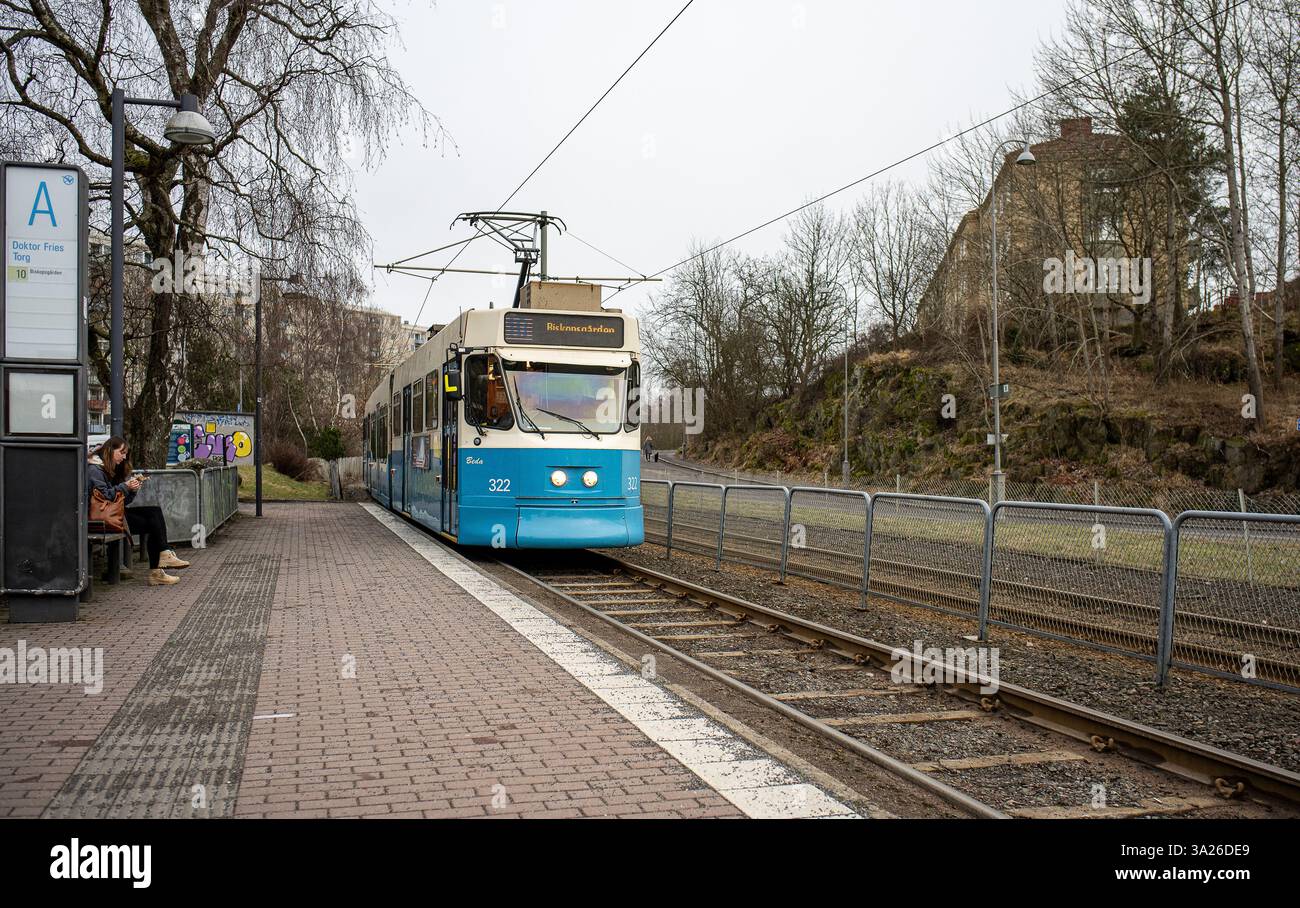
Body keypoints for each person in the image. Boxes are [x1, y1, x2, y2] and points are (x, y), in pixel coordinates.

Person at [88, 437, 190, 585]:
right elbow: (105, 496)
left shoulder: (110, 469)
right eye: (121, 453)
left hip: (113, 514)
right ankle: (159, 566)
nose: (123, 457)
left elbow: (122, 501)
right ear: (110, 450)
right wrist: (125, 486)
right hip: (101, 518)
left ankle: (164, 555)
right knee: (152, 522)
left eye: (125, 454)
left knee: (154, 513)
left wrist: (132, 490)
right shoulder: (95, 469)